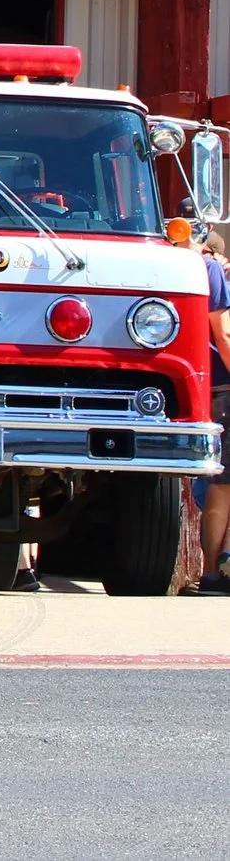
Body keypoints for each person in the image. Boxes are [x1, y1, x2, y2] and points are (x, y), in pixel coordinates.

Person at [201, 231, 230, 596]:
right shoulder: (210, 271)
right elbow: (223, 335)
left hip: (208, 387)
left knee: (220, 486)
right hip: (223, 386)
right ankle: (214, 569)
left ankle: (216, 568)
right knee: (222, 487)